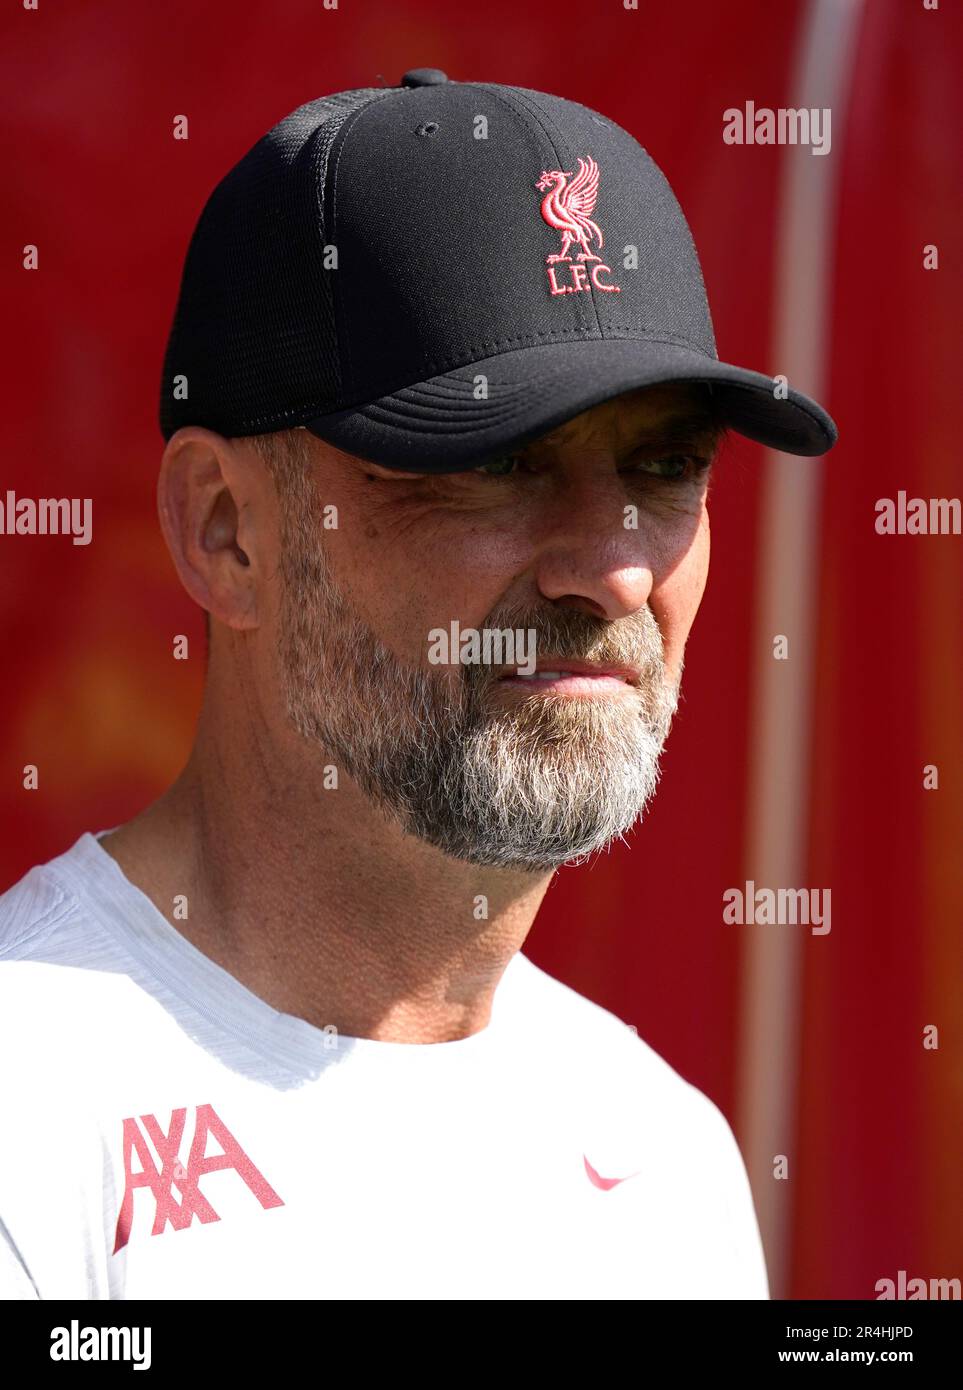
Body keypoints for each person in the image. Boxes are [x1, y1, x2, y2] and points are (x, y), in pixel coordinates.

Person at [0, 68, 836, 1300]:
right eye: (497, 459)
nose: (610, 568)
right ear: (226, 529)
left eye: (663, 465)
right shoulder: (34, 1107)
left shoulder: (668, 1160)